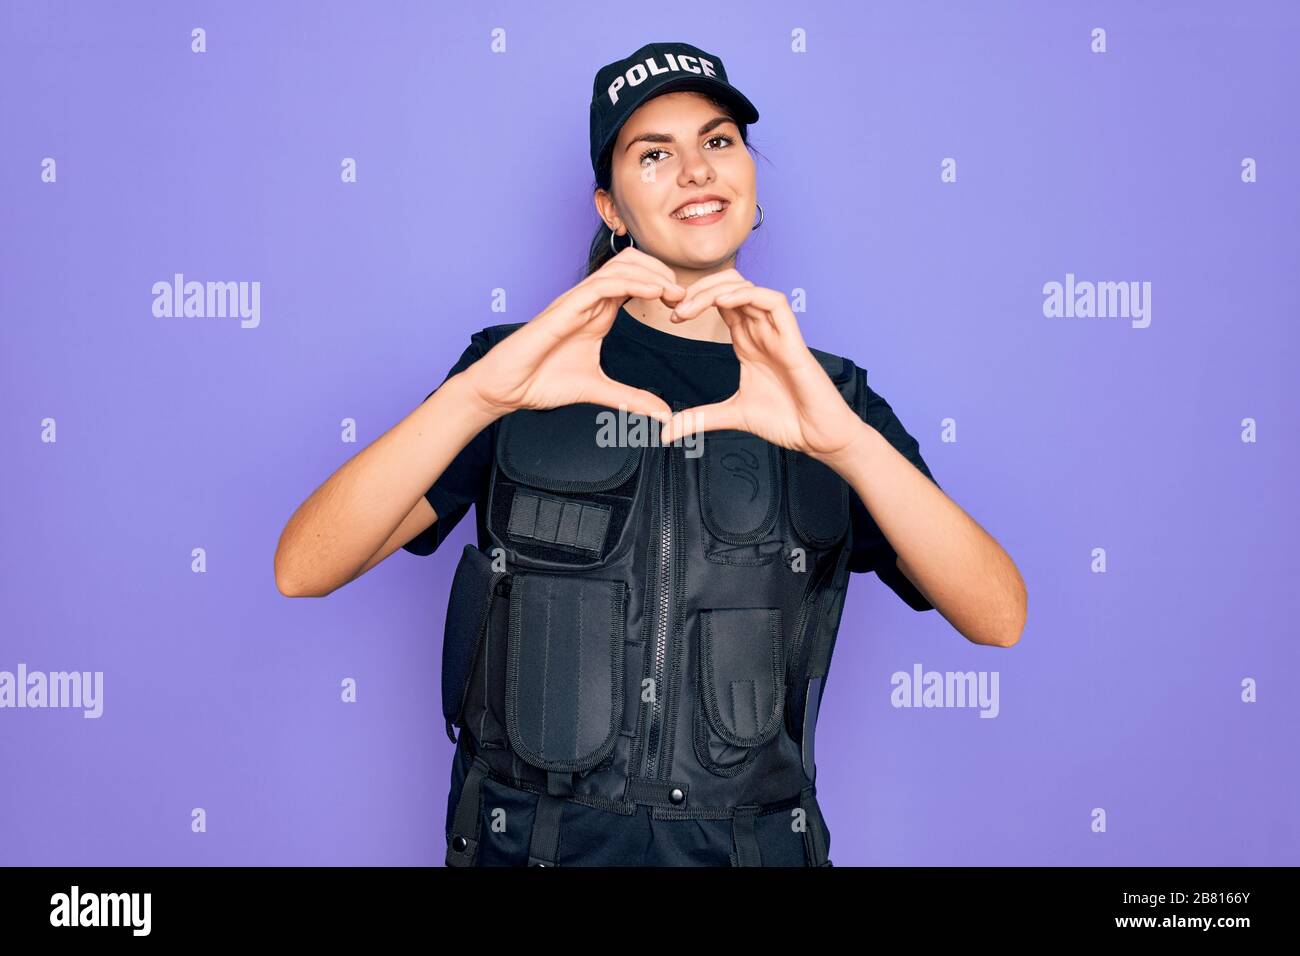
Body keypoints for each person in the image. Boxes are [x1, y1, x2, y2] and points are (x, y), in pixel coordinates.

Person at [274, 41, 1027, 867]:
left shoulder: (828, 396)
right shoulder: (515, 371)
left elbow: (998, 617)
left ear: (749, 177)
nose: (697, 170)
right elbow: (304, 566)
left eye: (719, 141)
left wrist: (845, 444)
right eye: (655, 154)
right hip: (528, 845)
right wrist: (481, 395)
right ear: (611, 208)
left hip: (748, 846)